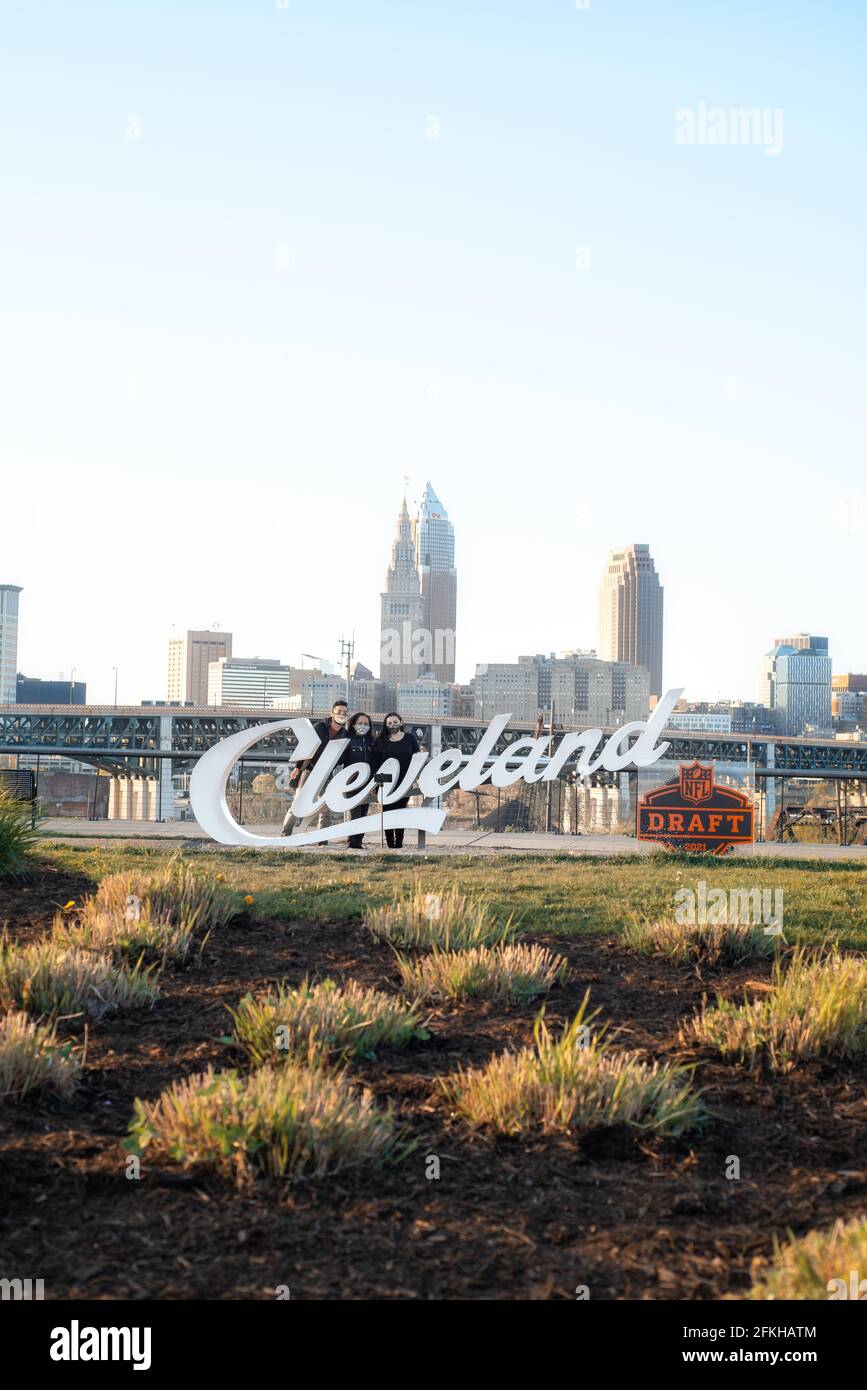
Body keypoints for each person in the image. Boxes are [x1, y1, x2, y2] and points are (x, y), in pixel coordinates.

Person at [281, 700, 351, 836]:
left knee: (325, 806)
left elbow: (343, 756)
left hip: (326, 773)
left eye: (344, 712)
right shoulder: (320, 727)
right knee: (298, 802)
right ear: (332, 713)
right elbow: (306, 746)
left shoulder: (345, 734)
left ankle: (322, 837)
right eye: (339, 712)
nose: (342, 714)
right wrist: (297, 767)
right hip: (309, 770)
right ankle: (285, 832)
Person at [374, 712, 421, 848]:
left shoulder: (410, 738)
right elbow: (376, 764)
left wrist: (414, 779)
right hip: (386, 783)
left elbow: (416, 759)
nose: (392, 725)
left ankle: (399, 843)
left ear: (401, 722)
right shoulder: (380, 740)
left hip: (404, 782)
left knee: (400, 812)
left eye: (395, 722)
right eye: (389, 723)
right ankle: (390, 843)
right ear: (385, 725)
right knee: (387, 813)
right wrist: (376, 784)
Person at [342, 711, 379, 849]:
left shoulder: (372, 742)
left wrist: (375, 782)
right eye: (360, 723)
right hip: (352, 783)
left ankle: (359, 842)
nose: (363, 726)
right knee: (355, 813)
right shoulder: (348, 740)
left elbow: (376, 762)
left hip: (368, 784)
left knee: (363, 814)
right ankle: (352, 842)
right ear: (353, 724)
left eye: (365, 723)